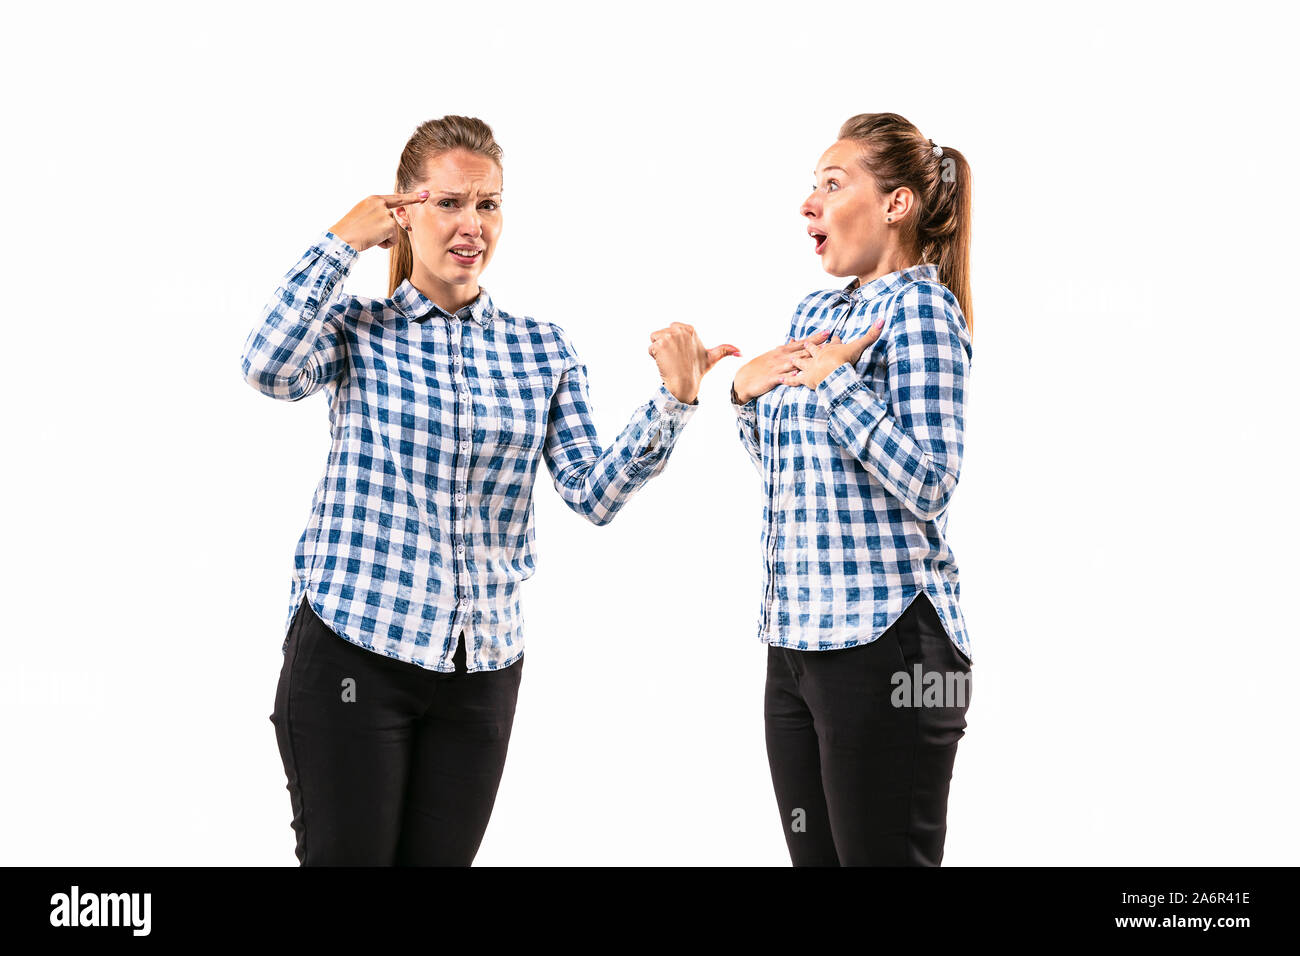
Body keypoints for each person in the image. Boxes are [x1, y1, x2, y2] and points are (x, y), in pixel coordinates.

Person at [240, 115, 737, 865]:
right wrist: (339, 242)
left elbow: (591, 493)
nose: (472, 224)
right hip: (353, 651)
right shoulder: (356, 327)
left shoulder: (543, 348)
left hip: (482, 669)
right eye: (449, 203)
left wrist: (673, 402)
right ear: (404, 211)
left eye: (489, 204)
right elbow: (268, 368)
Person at [730, 112, 975, 866]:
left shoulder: (922, 310)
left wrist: (837, 382)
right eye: (812, 187)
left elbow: (931, 481)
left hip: (894, 650)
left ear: (895, 204)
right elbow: (787, 467)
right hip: (797, 646)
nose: (810, 204)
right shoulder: (817, 312)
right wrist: (744, 394)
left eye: (832, 185)